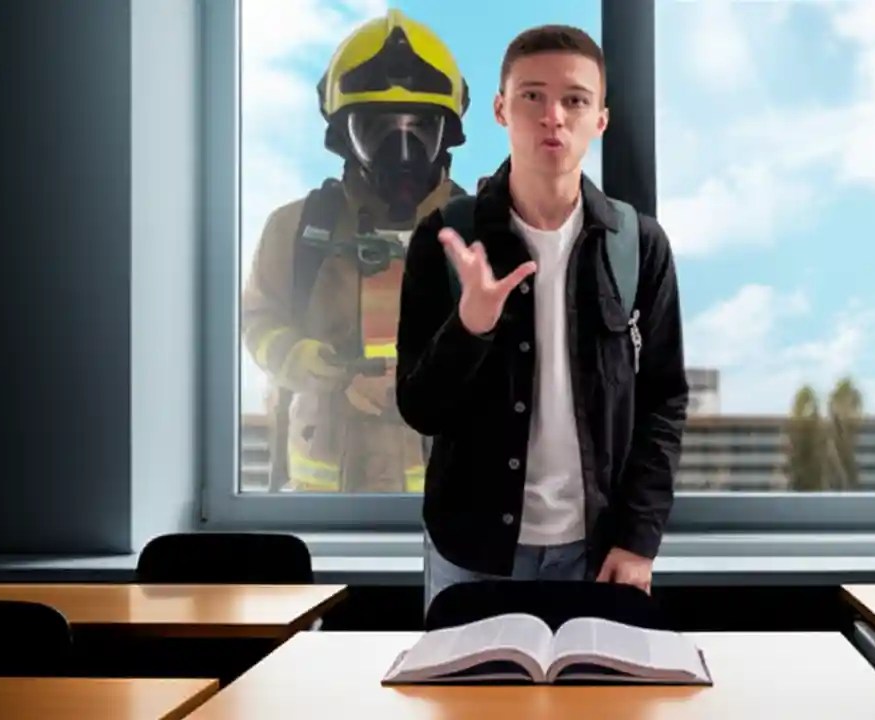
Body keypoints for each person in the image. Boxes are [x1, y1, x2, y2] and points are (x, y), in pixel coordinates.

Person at [395, 24, 689, 613]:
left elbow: (663, 402)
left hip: (598, 553)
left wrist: (639, 540)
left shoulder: (638, 244)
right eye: (532, 96)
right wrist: (470, 327)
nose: (553, 115)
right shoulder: (447, 237)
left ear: (600, 119)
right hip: (471, 552)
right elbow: (419, 409)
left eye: (575, 100)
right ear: (502, 110)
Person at [242, 9, 470, 494]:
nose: (401, 147)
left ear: (446, 134)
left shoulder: (481, 231)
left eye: (419, 127)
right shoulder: (297, 229)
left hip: (449, 501)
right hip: (324, 504)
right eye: (378, 128)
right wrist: (315, 365)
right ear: (343, 135)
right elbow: (258, 321)